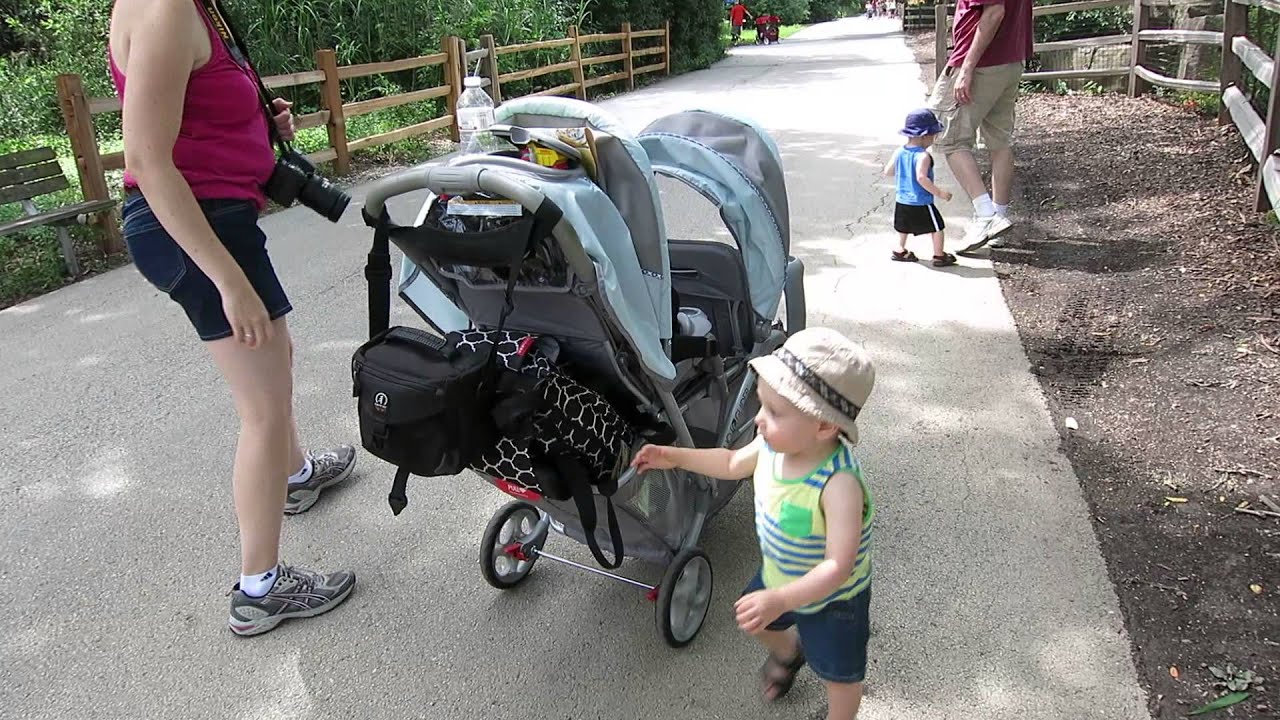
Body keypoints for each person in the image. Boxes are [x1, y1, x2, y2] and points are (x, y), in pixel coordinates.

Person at [108, 0, 356, 636]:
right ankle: (260, 588)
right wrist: (227, 281)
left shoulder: (193, 8)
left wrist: (257, 121)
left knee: (275, 365)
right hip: (198, 229)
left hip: (218, 215)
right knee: (263, 411)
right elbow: (145, 159)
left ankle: (296, 476)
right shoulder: (164, 10)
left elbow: (191, 116)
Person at [632, 328, 876, 719]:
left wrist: (782, 599)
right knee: (754, 621)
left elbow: (838, 566)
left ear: (825, 427)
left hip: (834, 600)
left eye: (775, 412)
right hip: (780, 573)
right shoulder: (770, 446)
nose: (759, 420)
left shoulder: (838, 484)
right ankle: (788, 651)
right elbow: (730, 463)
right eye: (762, 405)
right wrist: (675, 456)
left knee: (840, 676)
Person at [926, 0, 1033, 253]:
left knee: (946, 136)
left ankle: (986, 216)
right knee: (1000, 142)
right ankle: (998, 220)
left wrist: (966, 68)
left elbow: (995, 12)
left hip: (983, 63)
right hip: (1011, 60)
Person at [882, 109, 956, 267]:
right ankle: (939, 255)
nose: (934, 139)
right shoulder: (923, 156)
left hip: (902, 200)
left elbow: (888, 171)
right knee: (937, 227)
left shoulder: (899, 151)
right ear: (924, 136)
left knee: (903, 227)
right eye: (934, 135)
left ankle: (900, 250)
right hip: (920, 201)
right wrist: (940, 193)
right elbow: (921, 178)